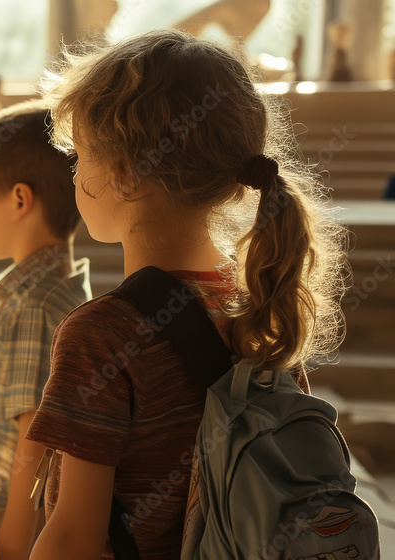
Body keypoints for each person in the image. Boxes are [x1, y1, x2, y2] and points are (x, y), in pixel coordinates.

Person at [25, 29, 346, 559]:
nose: (75, 173)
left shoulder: (101, 335)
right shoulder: (264, 303)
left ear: (126, 176)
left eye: (80, 156)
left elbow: (72, 539)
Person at [0, 100, 91, 560]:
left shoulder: (30, 310)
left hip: (15, 527)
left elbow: (32, 451)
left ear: (19, 199)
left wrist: (9, 547)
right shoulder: (60, 290)